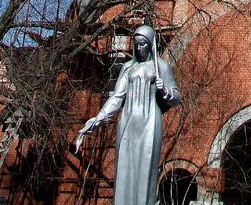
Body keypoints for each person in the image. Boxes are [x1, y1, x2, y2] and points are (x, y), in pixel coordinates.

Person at [76, 24, 180, 205]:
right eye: (136, 44)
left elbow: (176, 98)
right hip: (128, 120)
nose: (139, 49)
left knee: (145, 170)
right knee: (124, 170)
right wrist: (96, 120)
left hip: (149, 120)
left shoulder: (161, 66)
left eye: (143, 45)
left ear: (150, 45)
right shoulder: (127, 68)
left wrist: (166, 92)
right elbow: (116, 98)